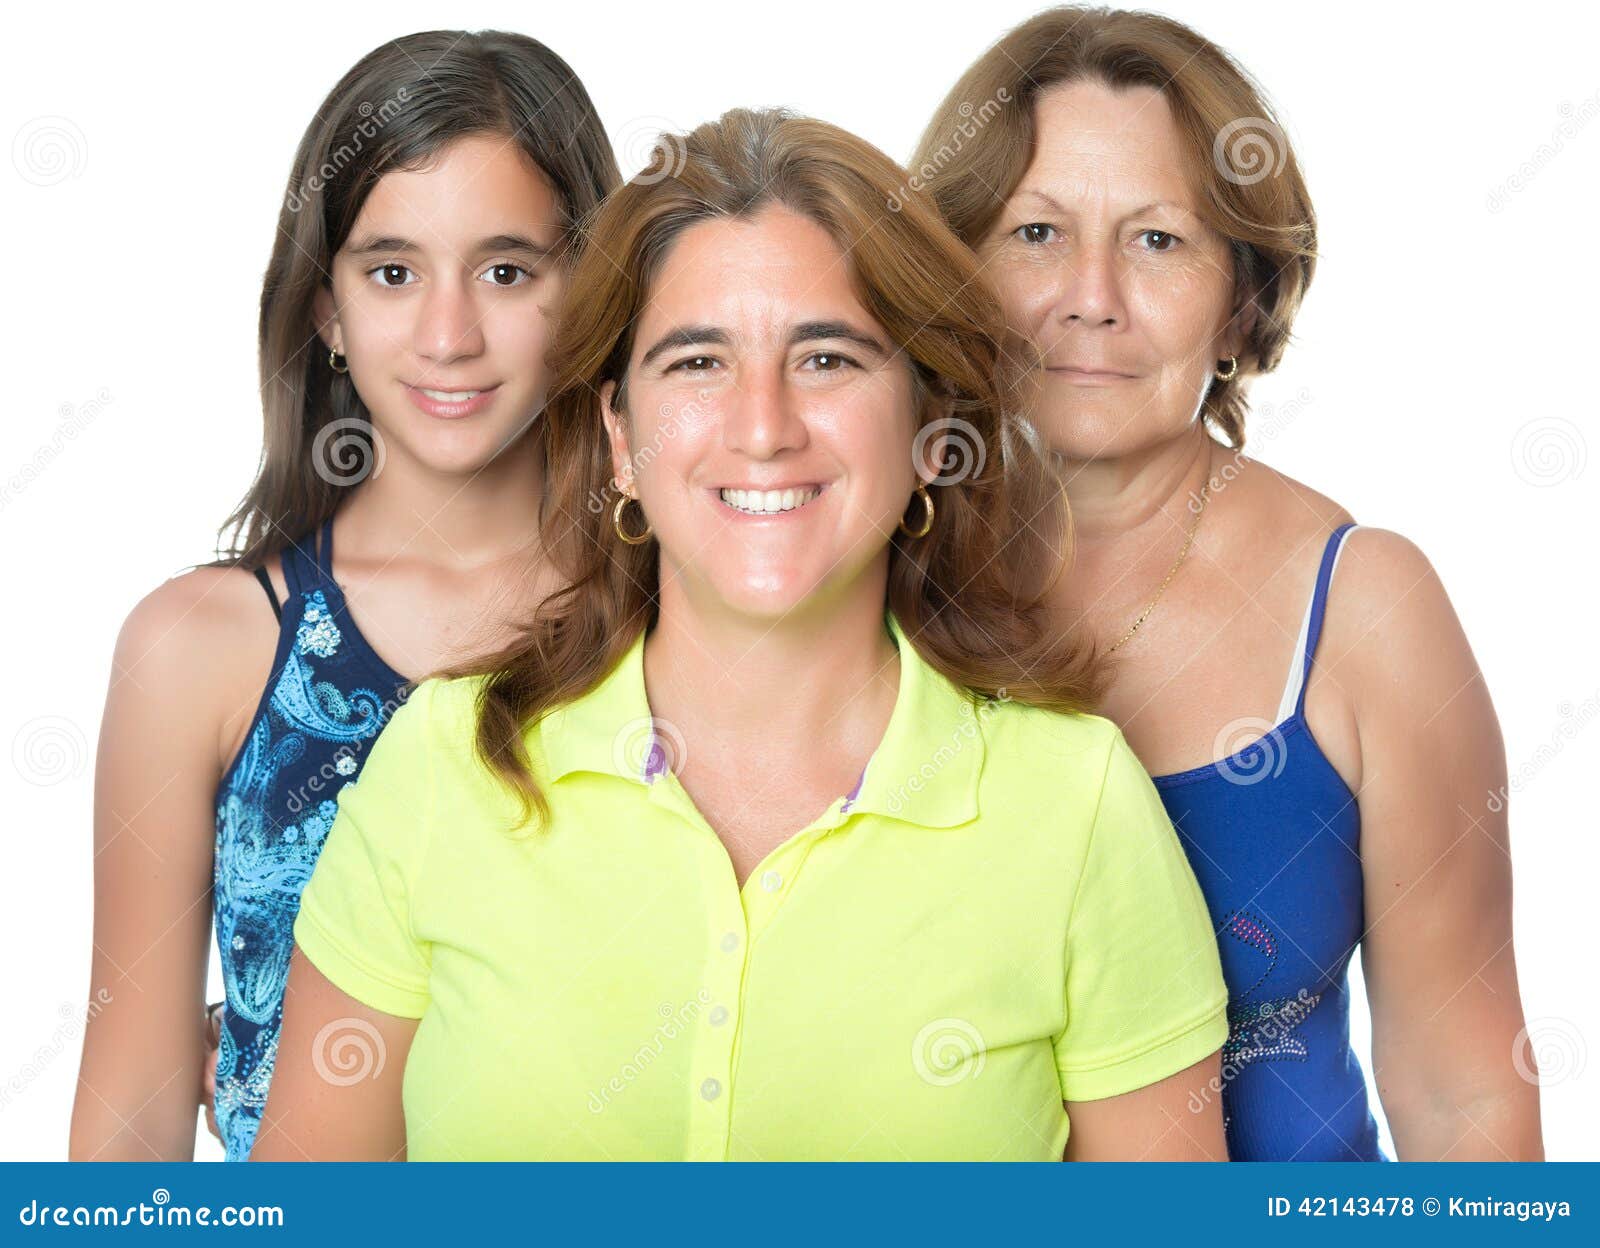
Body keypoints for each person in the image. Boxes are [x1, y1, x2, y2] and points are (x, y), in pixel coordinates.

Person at [251, 107, 1231, 1162]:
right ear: (620, 441)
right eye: (696, 364)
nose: (763, 426)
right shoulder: (445, 760)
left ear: (929, 432)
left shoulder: (1076, 803)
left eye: (826, 359)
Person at [911, 6, 1542, 1160]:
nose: (1090, 295)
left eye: (1158, 241)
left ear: (1241, 299)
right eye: (1035, 233)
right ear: (953, 270)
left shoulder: (1363, 606)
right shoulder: (867, 579)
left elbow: (1461, 1093)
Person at [69, 29, 619, 1161]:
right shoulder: (200, 650)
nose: (449, 334)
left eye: (508, 270)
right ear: (325, 310)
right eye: (392, 271)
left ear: (588, 292)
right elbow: (129, 1122)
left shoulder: (683, 619)